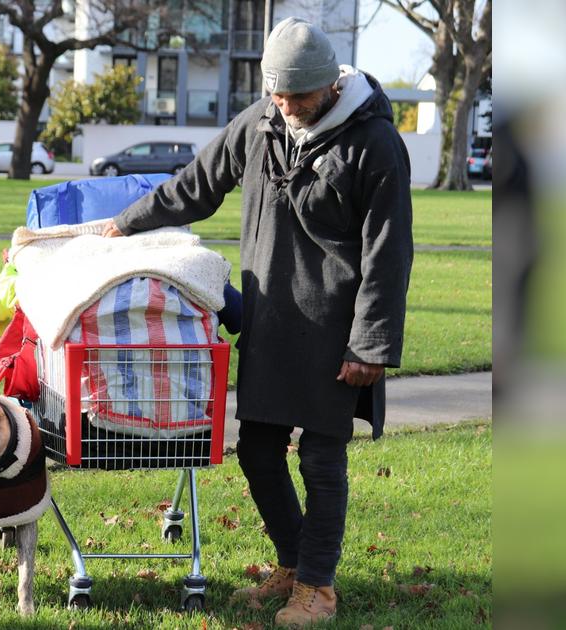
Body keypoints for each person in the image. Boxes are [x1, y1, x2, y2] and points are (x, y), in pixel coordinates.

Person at [102, 17, 413, 628]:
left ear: (328, 85)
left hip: (337, 332)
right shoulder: (261, 123)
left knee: (323, 461)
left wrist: (370, 343)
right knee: (258, 452)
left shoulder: (374, 143)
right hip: (272, 321)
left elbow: (389, 250)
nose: (287, 106)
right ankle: (294, 564)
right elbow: (196, 185)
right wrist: (125, 223)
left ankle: (318, 588)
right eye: (277, 93)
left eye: (297, 95)